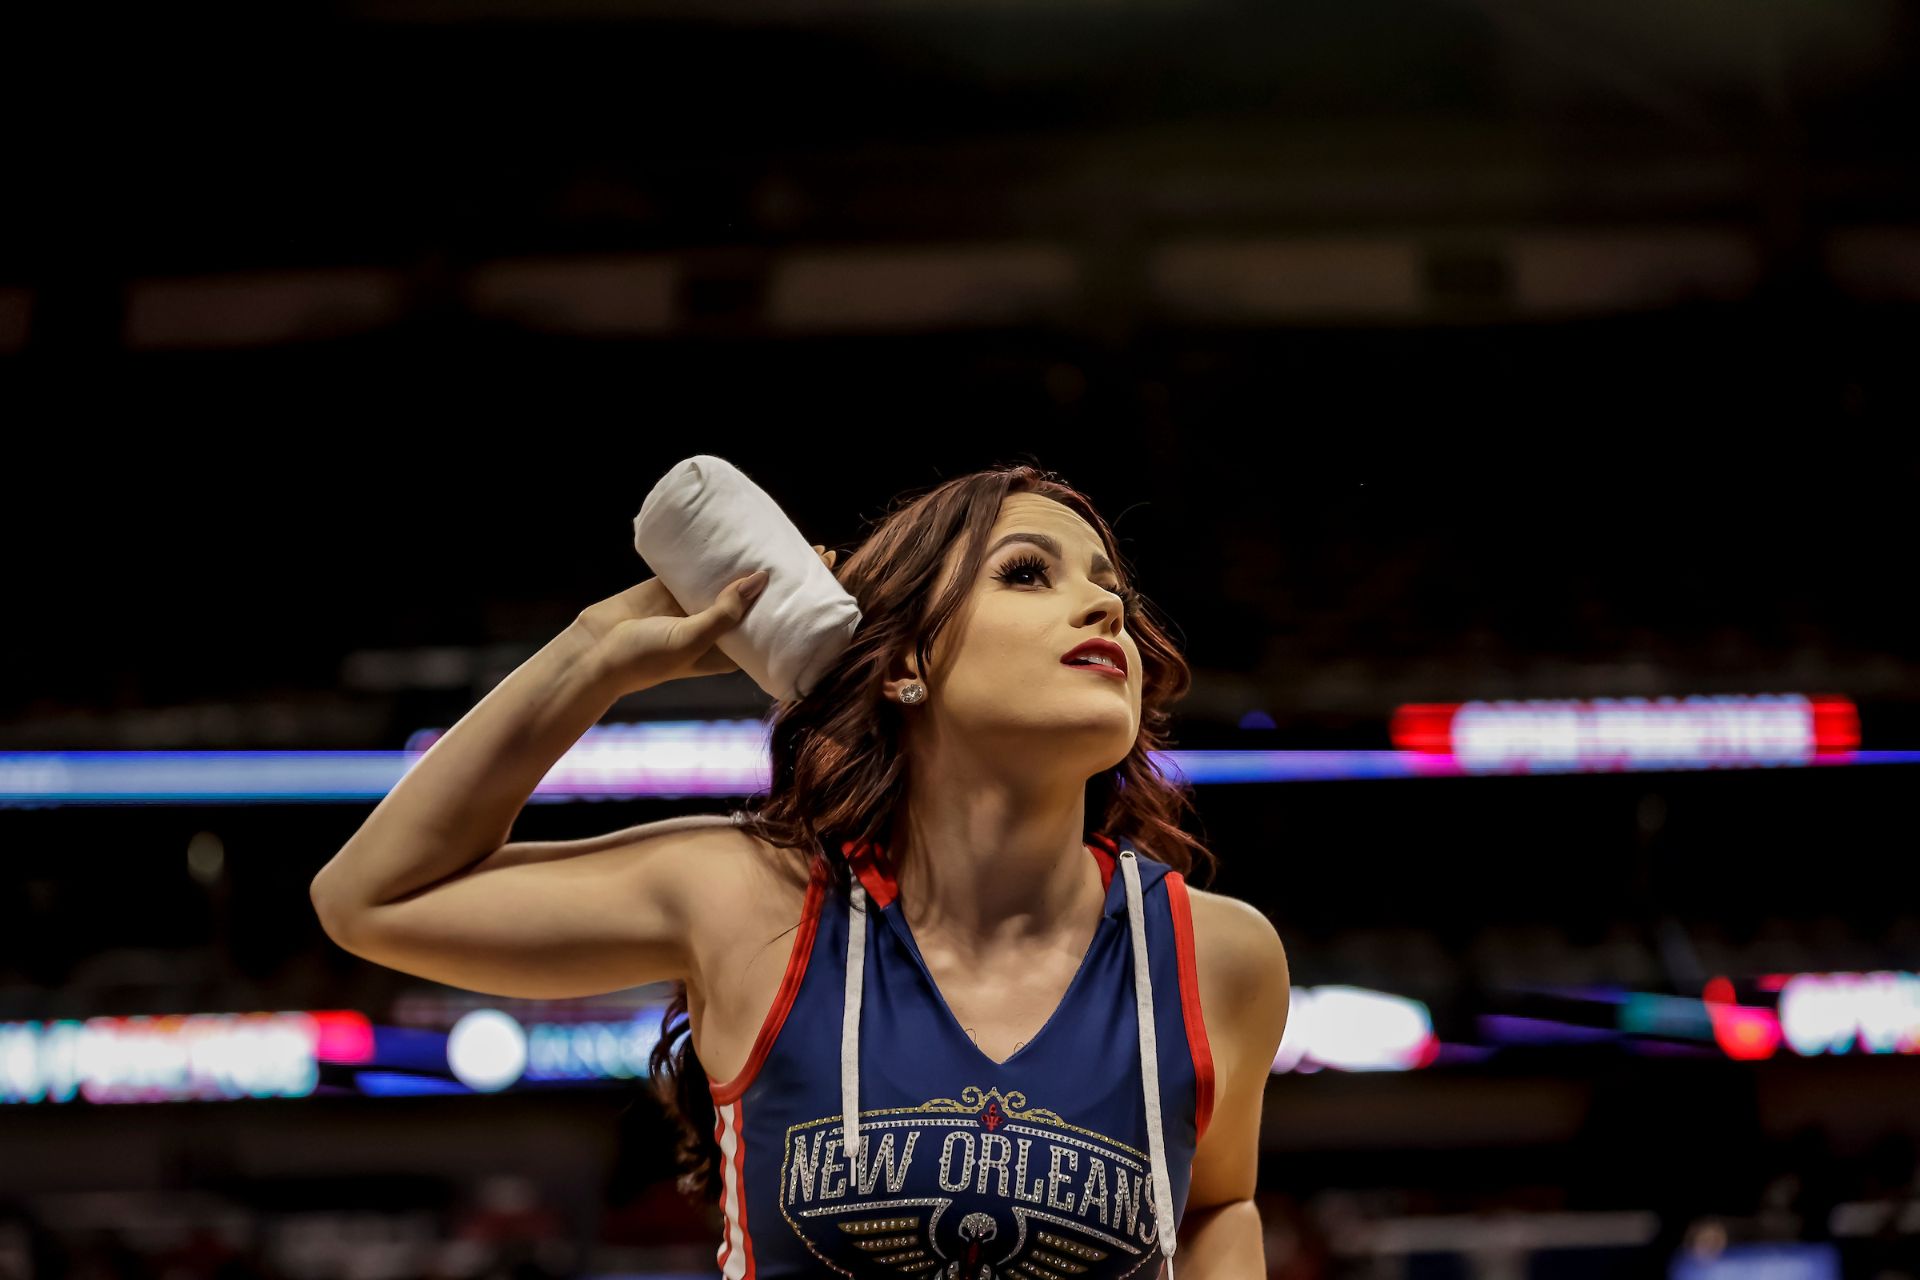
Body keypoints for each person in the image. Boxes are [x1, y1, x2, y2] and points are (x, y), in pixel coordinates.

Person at [310, 463, 1291, 1278]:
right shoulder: (753, 898)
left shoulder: (1220, 955)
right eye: (1029, 572)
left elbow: (1217, 1207)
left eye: (1109, 583)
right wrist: (599, 653)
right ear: (904, 661)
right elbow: (371, 896)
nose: (1104, 603)